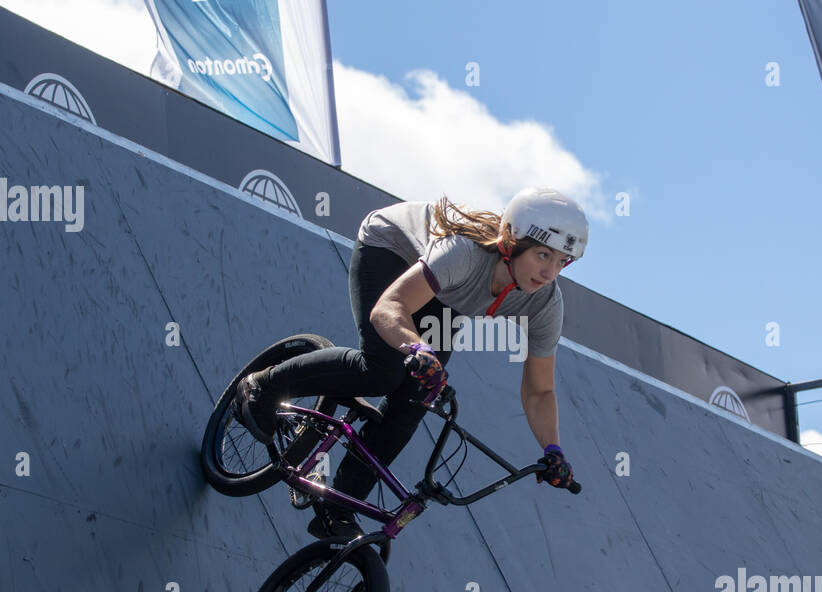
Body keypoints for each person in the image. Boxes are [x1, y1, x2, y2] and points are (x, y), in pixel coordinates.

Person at [233, 186, 587, 538]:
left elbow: (540, 390)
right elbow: (389, 309)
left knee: (419, 395)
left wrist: (553, 449)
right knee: (382, 370)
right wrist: (416, 349)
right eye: (543, 255)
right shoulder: (464, 254)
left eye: (561, 262)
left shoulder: (545, 303)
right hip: (391, 252)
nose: (550, 273)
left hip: (445, 297)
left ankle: (338, 506)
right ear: (512, 240)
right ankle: (262, 385)